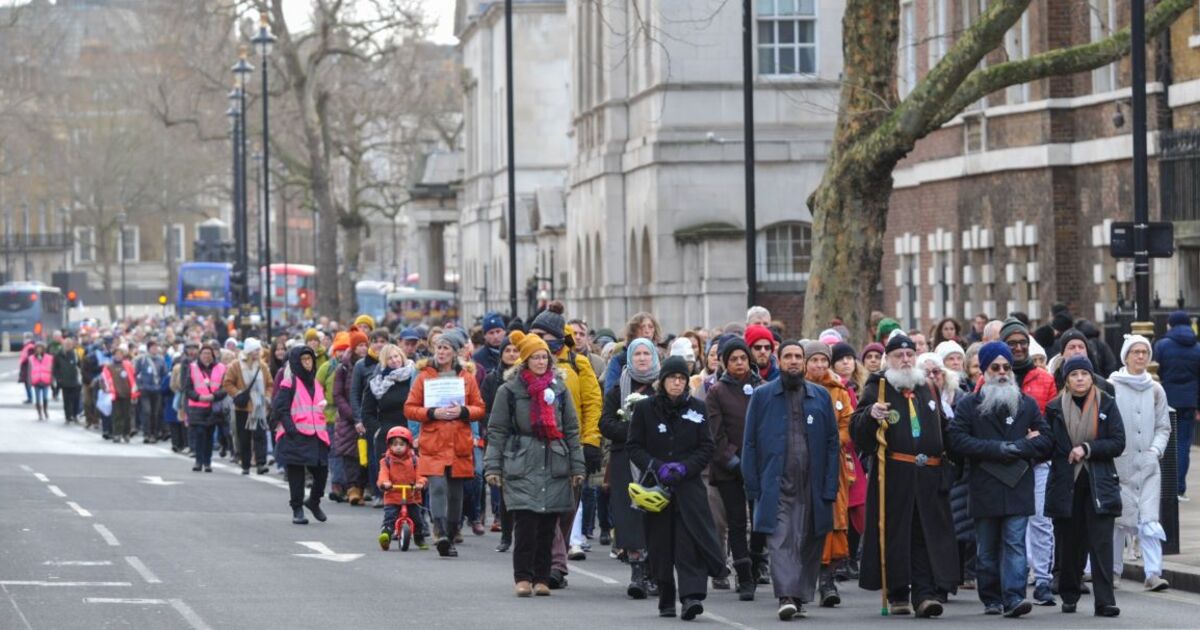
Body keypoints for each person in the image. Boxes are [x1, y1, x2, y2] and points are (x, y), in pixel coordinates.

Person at [851, 334, 959, 617]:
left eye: (910, 355)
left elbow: (945, 429)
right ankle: (899, 591)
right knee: (897, 532)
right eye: (899, 355)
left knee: (926, 532)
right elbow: (858, 430)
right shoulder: (879, 387)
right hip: (895, 474)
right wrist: (870, 416)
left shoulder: (928, 388)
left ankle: (925, 595)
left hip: (929, 475)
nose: (906, 360)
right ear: (889, 359)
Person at [947, 341, 1053, 617]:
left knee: (1016, 544)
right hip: (985, 485)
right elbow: (956, 440)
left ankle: (1014, 597)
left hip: (1018, 484)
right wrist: (995, 449)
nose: (1003, 372)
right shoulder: (970, 405)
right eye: (995, 367)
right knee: (987, 548)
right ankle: (991, 598)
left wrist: (1019, 447)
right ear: (984, 371)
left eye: (1007, 367)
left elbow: (1046, 439)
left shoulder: (1026, 404)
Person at [743, 341, 840, 621]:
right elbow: (749, 443)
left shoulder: (820, 396)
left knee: (810, 538)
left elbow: (833, 443)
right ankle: (785, 595)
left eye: (799, 357)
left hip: (813, 481)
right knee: (781, 538)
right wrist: (753, 484)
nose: (794, 361)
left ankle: (799, 595)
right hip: (777, 483)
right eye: (788, 357)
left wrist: (830, 484)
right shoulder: (762, 396)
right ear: (779, 360)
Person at [484, 330, 585, 597]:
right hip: (522, 459)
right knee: (526, 523)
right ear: (525, 361)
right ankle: (523, 577)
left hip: (554, 459)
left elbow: (573, 430)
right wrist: (493, 466)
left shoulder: (559, 390)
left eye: (545, 357)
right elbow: (496, 430)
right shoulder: (509, 391)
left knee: (547, 524)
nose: (541, 362)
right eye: (536, 357)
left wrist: (577, 467)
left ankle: (542, 577)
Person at [627, 356, 728, 620]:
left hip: (688, 487)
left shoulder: (697, 408)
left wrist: (685, 467)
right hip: (656, 488)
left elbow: (706, 446)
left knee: (690, 541)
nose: (677, 382)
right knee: (660, 544)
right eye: (672, 377)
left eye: (682, 379)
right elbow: (634, 445)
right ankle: (666, 597)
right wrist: (656, 465)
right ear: (662, 380)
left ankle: (691, 596)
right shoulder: (646, 409)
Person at [528, 303, 603, 587]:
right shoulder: (530, 365)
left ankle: (551, 561)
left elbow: (592, 405)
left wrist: (591, 442)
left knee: (567, 508)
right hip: (538, 448)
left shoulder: (578, 364)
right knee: (547, 506)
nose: (539, 341)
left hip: (572, 448)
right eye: (534, 334)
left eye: (544, 335)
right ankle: (555, 565)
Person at [1044, 355, 1124, 617]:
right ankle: (1069, 593)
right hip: (1066, 483)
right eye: (1074, 375)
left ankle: (1105, 601)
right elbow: (1049, 445)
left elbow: (1117, 442)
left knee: (1101, 544)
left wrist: (1088, 448)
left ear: (1092, 377)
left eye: (1085, 374)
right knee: (1069, 544)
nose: (1080, 379)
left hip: (1099, 483)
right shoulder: (1055, 407)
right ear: (1066, 379)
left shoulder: (1107, 403)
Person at [404, 331, 486, 557]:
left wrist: (463, 411)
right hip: (434, 441)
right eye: (438, 348)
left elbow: (479, 408)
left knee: (456, 494)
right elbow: (410, 408)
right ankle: (439, 532)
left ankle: (450, 534)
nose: (441, 352)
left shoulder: (466, 378)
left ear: (456, 352)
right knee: (438, 486)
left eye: (446, 348)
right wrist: (431, 412)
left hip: (459, 442)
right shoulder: (424, 376)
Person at [1109, 335, 1171, 591]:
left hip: (1147, 466)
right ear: (1126, 356)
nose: (1141, 356)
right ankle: (1112, 572)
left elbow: (1163, 426)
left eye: (1144, 352)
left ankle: (1153, 573)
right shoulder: (1112, 386)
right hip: (1118, 464)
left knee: (1149, 520)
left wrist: (1154, 451)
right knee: (1116, 522)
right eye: (1135, 352)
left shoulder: (1156, 389)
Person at [704, 337, 764, 600]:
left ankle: (757, 564)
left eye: (743, 358)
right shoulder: (717, 392)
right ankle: (744, 575)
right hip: (730, 469)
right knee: (737, 522)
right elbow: (715, 435)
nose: (739, 363)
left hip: (761, 466)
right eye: (733, 359)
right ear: (725, 363)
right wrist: (734, 461)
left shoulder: (762, 388)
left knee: (761, 521)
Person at [802, 340, 856, 608]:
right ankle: (803, 578)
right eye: (815, 361)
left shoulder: (840, 391)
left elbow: (848, 423)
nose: (820, 365)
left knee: (835, 518)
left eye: (824, 361)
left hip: (833, 465)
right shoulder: (798, 389)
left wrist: (833, 442)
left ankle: (827, 579)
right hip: (803, 465)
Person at [272, 346, 330, 526]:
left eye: (310, 359)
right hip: (295, 434)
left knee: (322, 472)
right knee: (296, 475)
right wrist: (291, 430)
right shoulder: (289, 382)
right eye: (304, 359)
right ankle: (297, 509)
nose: (307, 363)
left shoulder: (317, 384)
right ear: (297, 362)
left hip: (317, 435)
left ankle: (313, 501)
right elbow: (280, 408)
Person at [481, 334, 522, 551]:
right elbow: (485, 409)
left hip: (522, 440)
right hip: (501, 439)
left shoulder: (524, 379)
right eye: (508, 351)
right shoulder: (491, 379)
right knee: (504, 488)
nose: (512, 354)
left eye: (516, 351)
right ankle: (506, 536)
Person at [1154, 311, 1200, 501]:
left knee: (1163, 442)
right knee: (1183, 444)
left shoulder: (1162, 345)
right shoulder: (1197, 347)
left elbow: (1156, 372)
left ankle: (1165, 486)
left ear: (1171, 324)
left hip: (1166, 400)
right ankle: (1179, 488)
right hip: (1189, 401)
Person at [223, 337, 274, 475]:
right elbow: (227, 383)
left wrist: (268, 397)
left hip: (259, 406)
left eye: (259, 350)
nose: (258, 352)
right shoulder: (236, 365)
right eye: (256, 350)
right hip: (243, 407)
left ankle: (261, 463)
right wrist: (238, 394)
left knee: (260, 435)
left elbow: (270, 384)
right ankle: (245, 464)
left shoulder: (263, 366)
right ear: (249, 351)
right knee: (244, 437)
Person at [352, 329, 391, 506]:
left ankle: (391, 491)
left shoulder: (394, 362)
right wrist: (358, 419)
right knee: (374, 456)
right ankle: (377, 492)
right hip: (370, 417)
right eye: (376, 341)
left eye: (383, 341)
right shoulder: (361, 365)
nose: (379, 345)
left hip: (389, 415)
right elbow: (355, 393)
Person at [377, 426, 427, 550]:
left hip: (412, 496)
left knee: (417, 519)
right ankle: (386, 536)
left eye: (401, 444)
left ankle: (419, 538)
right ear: (389, 446)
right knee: (390, 517)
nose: (398, 447)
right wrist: (385, 483)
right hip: (392, 496)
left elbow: (421, 474)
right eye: (394, 444)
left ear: (408, 445)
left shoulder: (415, 460)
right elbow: (383, 474)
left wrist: (420, 482)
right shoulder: (386, 461)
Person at [335, 331, 370, 505]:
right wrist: (351, 414)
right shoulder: (343, 367)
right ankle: (352, 489)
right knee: (350, 456)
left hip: (367, 416)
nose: (363, 349)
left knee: (365, 455)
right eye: (360, 345)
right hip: (348, 419)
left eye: (365, 345)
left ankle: (362, 488)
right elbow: (338, 394)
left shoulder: (371, 365)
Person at [184, 345, 227, 472]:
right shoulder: (192, 367)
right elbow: (187, 388)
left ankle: (207, 462)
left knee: (209, 435)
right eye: (204, 353)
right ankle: (198, 461)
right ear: (200, 355)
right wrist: (199, 397)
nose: (206, 356)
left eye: (209, 353)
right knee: (199, 434)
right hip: (197, 407)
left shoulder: (221, 368)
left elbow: (225, 387)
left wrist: (213, 396)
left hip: (213, 406)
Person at [103, 345, 140, 444]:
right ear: (114, 355)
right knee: (116, 415)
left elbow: (133, 378)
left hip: (127, 393)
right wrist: (106, 390)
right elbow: (104, 380)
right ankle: (116, 434)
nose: (118, 356)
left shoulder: (127, 365)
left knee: (127, 415)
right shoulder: (109, 367)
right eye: (117, 354)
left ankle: (126, 433)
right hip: (115, 394)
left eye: (120, 354)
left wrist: (134, 391)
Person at [135, 341, 167, 443]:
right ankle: (146, 433)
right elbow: (136, 373)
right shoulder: (142, 360)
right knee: (147, 411)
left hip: (157, 390)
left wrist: (161, 385)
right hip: (145, 389)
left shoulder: (161, 360)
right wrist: (139, 385)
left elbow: (164, 374)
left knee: (155, 412)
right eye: (153, 347)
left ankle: (154, 433)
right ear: (148, 348)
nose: (155, 349)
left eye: (156, 347)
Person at [53, 336, 82, 424]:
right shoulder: (59, 355)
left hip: (75, 381)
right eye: (66, 344)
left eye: (70, 345)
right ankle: (68, 416)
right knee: (66, 400)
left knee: (76, 399)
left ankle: (75, 414)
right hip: (64, 381)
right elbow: (55, 368)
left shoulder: (75, 354)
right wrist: (58, 379)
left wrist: (80, 376)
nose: (68, 346)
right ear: (63, 345)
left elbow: (80, 365)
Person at [473, 312, 507, 377]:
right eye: (491, 333)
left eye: (498, 331)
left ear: (504, 332)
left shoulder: (513, 352)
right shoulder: (478, 358)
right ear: (485, 335)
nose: (495, 336)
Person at [28, 341, 54, 421]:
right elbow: (29, 370)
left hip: (45, 380)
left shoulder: (49, 358)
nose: (39, 350)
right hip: (36, 381)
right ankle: (39, 413)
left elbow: (52, 369)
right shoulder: (31, 358)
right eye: (37, 348)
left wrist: (52, 380)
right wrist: (29, 381)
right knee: (38, 399)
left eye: (41, 348)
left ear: (43, 349)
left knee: (45, 398)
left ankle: (45, 410)